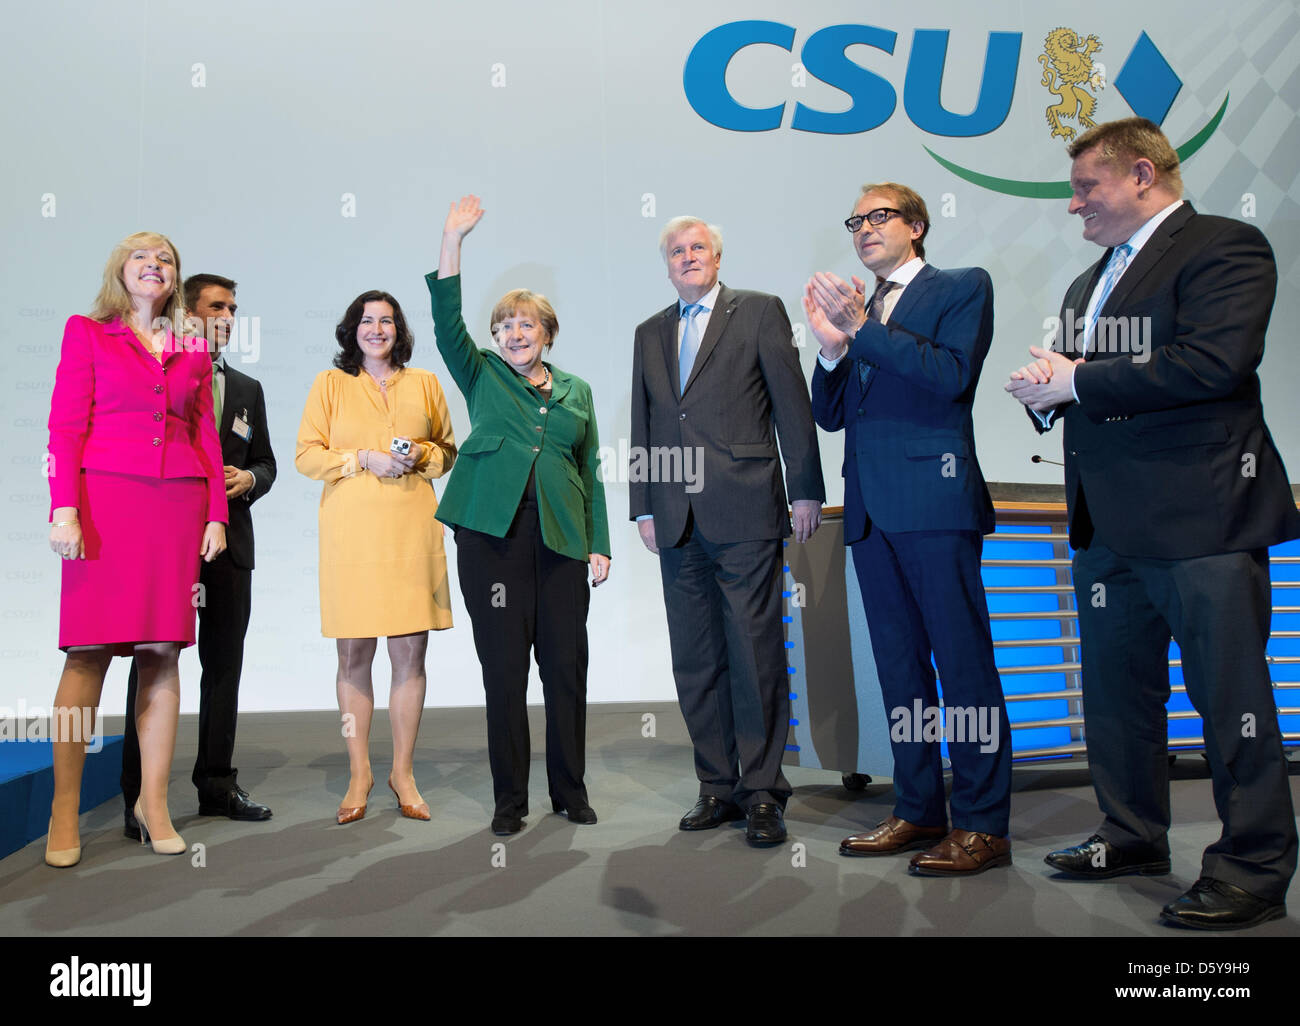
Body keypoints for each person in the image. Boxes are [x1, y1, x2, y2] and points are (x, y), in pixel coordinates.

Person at [1006, 117, 1300, 929]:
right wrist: (1046, 389)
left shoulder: (1224, 246)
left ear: (1142, 173)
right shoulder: (1087, 283)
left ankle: (1253, 866)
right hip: (1108, 528)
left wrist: (1079, 382)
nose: (1073, 206)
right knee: (1117, 697)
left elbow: (1215, 362)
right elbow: (1086, 388)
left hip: (1202, 518)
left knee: (1231, 700)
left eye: (1085, 188)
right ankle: (1131, 834)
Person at [805, 183, 1012, 875]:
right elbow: (831, 415)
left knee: (963, 666)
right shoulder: (860, 315)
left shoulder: (959, 287)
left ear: (916, 225)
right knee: (901, 672)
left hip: (934, 500)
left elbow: (950, 376)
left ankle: (982, 823)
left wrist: (862, 329)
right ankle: (920, 806)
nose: (864, 227)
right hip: (869, 510)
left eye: (879, 216)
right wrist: (832, 350)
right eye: (855, 218)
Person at [631, 215, 824, 847]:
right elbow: (648, 423)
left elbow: (792, 406)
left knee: (753, 652)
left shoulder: (760, 312)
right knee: (695, 658)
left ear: (717, 257)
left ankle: (763, 791)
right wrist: (643, 505)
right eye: (677, 251)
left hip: (745, 508)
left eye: (698, 248)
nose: (687, 257)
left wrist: (806, 490)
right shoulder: (649, 332)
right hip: (675, 518)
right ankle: (716, 785)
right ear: (667, 266)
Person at [430, 195, 611, 837]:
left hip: (561, 542)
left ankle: (570, 791)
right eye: (505, 324)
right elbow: (446, 321)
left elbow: (590, 470)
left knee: (566, 668)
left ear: (547, 333)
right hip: (493, 544)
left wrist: (599, 543)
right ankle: (511, 801)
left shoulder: (576, 391)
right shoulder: (480, 375)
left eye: (526, 324)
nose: (514, 332)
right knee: (504, 672)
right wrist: (453, 239)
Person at [45, 231, 228, 864]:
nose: (155, 266)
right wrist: (63, 507)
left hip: (175, 510)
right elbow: (66, 427)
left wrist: (217, 514)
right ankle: (63, 810)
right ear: (121, 271)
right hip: (103, 507)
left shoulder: (193, 348)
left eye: (167, 259)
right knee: (87, 653)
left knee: (162, 654)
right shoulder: (86, 332)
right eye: (142, 257)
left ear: (175, 278)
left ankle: (154, 804)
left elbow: (206, 439)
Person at [122, 274, 276, 839]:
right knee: (152, 661)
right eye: (218, 306)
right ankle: (138, 798)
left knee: (223, 667)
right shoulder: (151, 377)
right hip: (166, 539)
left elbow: (268, 463)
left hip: (229, 544)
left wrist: (249, 480)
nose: (229, 316)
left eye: (235, 307)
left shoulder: (246, 389)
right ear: (186, 310)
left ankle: (216, 784)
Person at [296, 290, 457, 824]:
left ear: (399, 330)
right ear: (352, 329)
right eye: (367, 320)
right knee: (353, 657)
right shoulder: (329, 384)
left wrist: (422, 454)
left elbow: (447, 453)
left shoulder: (426, 383)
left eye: (387, 321)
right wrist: (361, 458)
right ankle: (359, 770)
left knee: (411, 655)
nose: (377, 329)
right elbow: (306, 456)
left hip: (412, 530)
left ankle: (402, 771)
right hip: (351, 537)